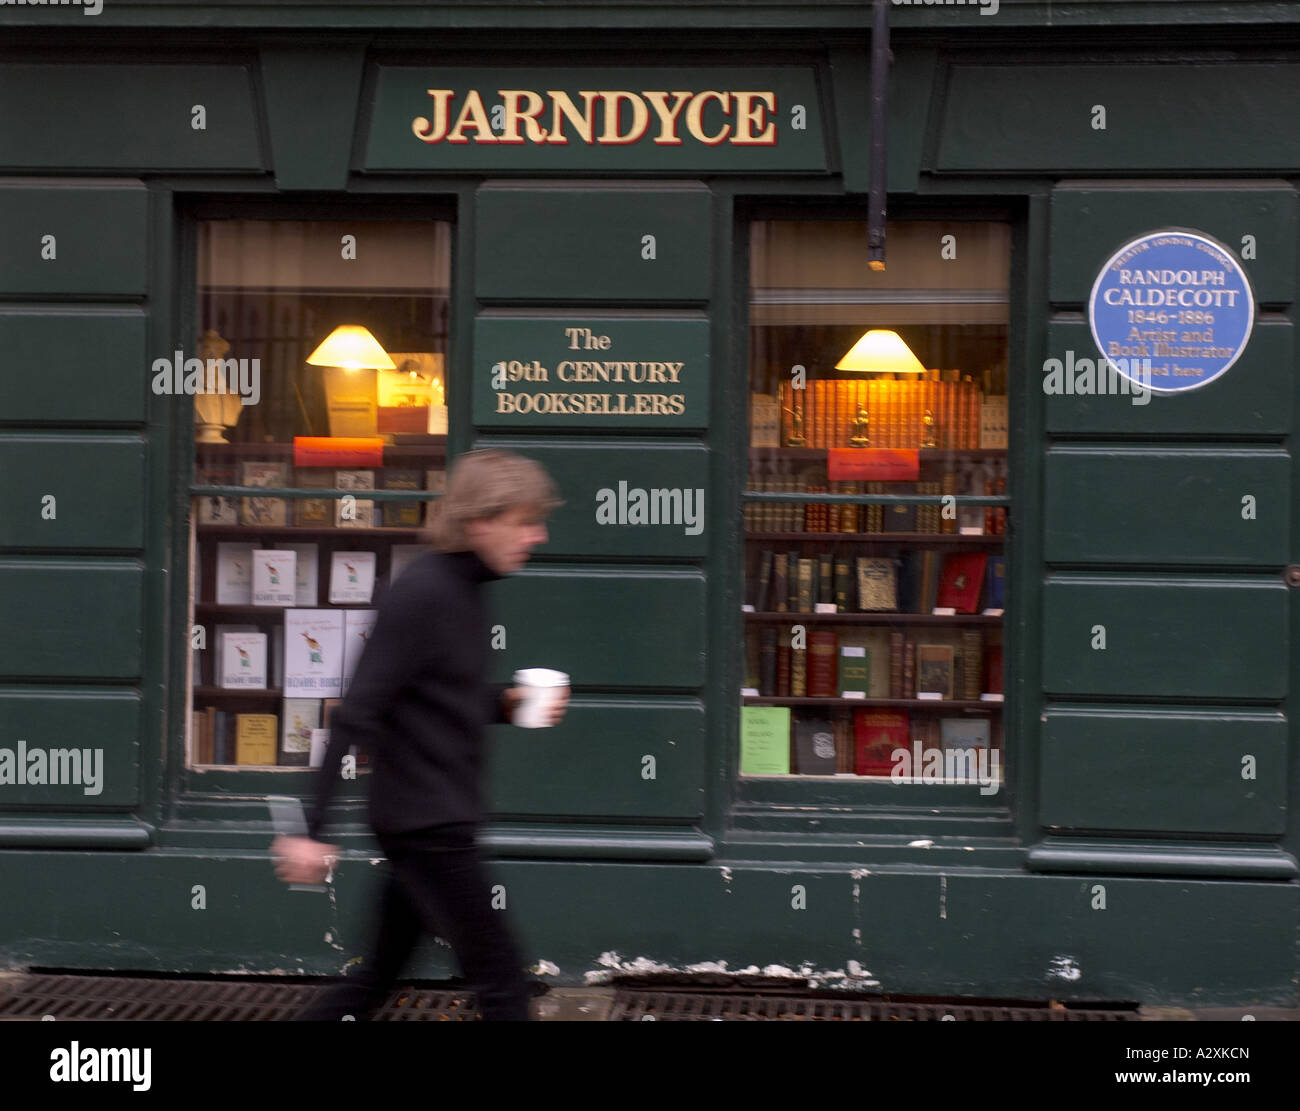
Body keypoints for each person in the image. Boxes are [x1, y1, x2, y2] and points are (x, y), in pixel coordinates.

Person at [272, 448, 566, 1021]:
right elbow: (357, 711)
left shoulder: (467, 588)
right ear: (481, 520)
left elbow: (438, 699)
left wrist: (507, 704)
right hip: (427, 827)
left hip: (428, 818)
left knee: (375, 979)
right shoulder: (425, 591)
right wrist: (311, 830)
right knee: (504, 984)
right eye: (525, 520)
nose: (539, 535)